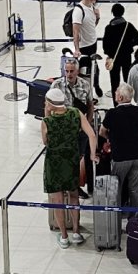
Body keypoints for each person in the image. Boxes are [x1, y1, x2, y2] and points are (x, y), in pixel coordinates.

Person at [42, 87, 96, 247]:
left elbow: (46, 142)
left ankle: (64, 236)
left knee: (57, 200)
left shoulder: (46, 122)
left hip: (54, 163)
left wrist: (47, 114)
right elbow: (91, 135)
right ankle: (76, 232)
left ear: (51, 104)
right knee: (73, 196)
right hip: (72, 160)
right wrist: (92, 155)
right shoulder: (75, 113)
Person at [102, 83, 138, 209]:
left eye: (116, 93)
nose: (115, 94)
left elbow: (102, 131)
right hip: (137, 155)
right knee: (135, 188)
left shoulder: (112, 113)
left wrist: (110, 138)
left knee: (116, 188)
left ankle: (115, 216)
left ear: (121, 98)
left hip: (120, 156)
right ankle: (135, 217)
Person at [103, 2, 138, 86]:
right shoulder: (128, 26)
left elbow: (105, 46)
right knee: (127, 80)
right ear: (123, 13)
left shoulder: (108, 28)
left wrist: (109, 53)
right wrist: (130, 44)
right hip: (126, 56)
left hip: (114, 57)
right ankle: (127, 98)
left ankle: (115, 98)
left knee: (114, 82)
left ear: (112, 13)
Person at [72, 0, 101, 91]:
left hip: (93, 43)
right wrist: (77, 49)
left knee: (95, 67)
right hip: (84, 46)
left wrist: (97, 17)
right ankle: (87, 92)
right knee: (85, 71)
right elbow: (76, 32)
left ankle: (96, 85)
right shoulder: (78, 11)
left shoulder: (92, 7)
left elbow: (92, 25)